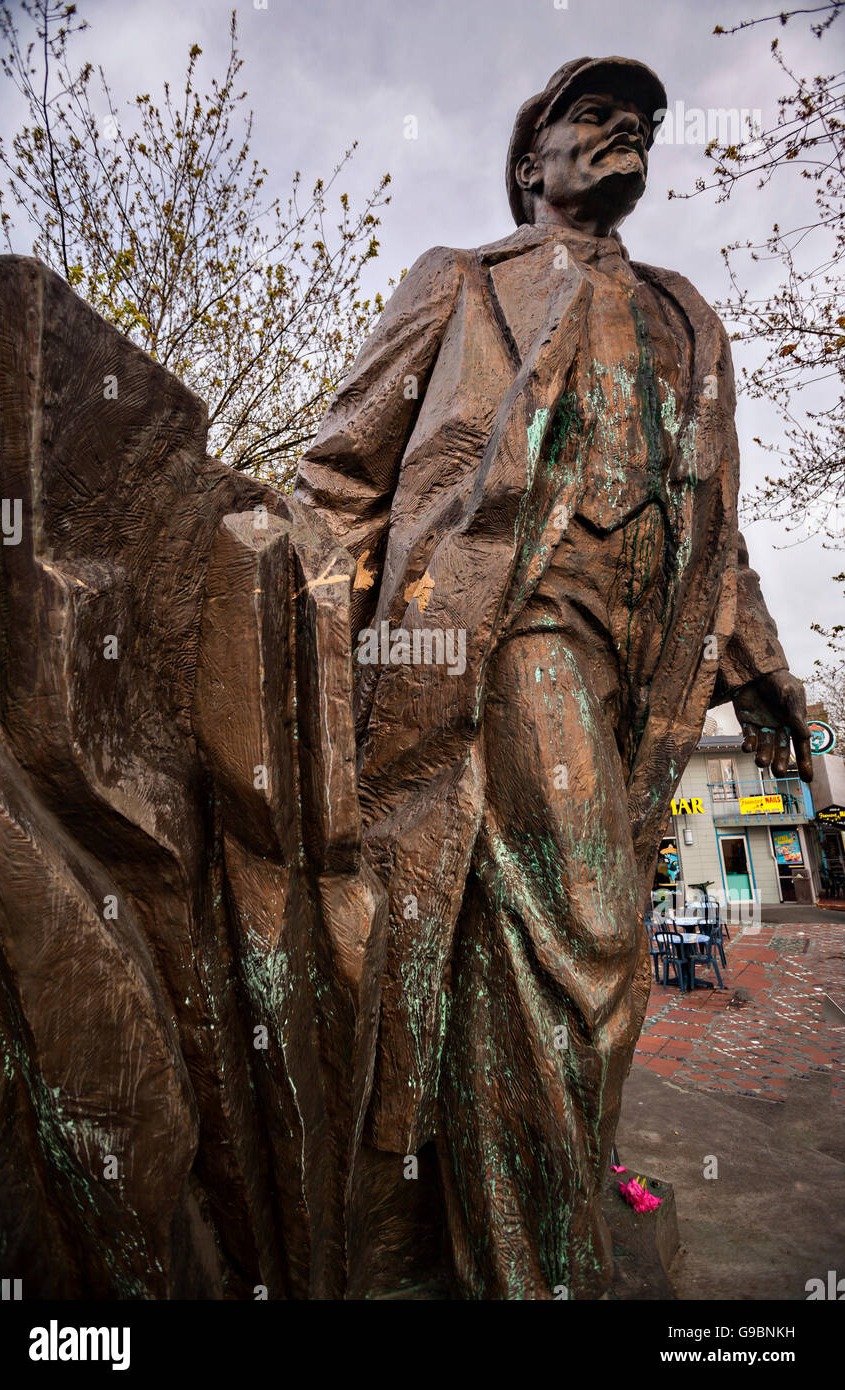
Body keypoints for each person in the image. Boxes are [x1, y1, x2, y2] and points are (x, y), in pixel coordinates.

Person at [295, 56, 813, 1299]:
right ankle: (532, 1269)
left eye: (637, 121)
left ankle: (536, 1185)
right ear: (531, 165)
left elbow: (715, 520)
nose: (622, 129)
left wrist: (760, 668)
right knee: (579, 924)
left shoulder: (689, 315)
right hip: (509, 631)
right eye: (592, 116)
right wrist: (316, 644)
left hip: (647, 670)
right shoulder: (463, 284)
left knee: (585, 947)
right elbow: (341, 477)